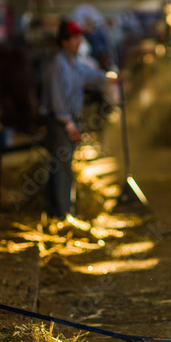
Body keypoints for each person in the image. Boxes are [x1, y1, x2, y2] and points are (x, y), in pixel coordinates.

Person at [41, 18, 118, 219]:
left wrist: (109, 78)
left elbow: (90, 75)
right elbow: (57, 100)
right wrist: (69, 125)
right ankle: (63, 214)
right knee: (63, 167)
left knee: (62, 165)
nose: (78, 42)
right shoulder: (57, 65)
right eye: (74, 38)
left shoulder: (74, 62)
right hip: (60, 122)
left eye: (80, 37)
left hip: (70, 120)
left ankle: (56, 210)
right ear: (63, 41)